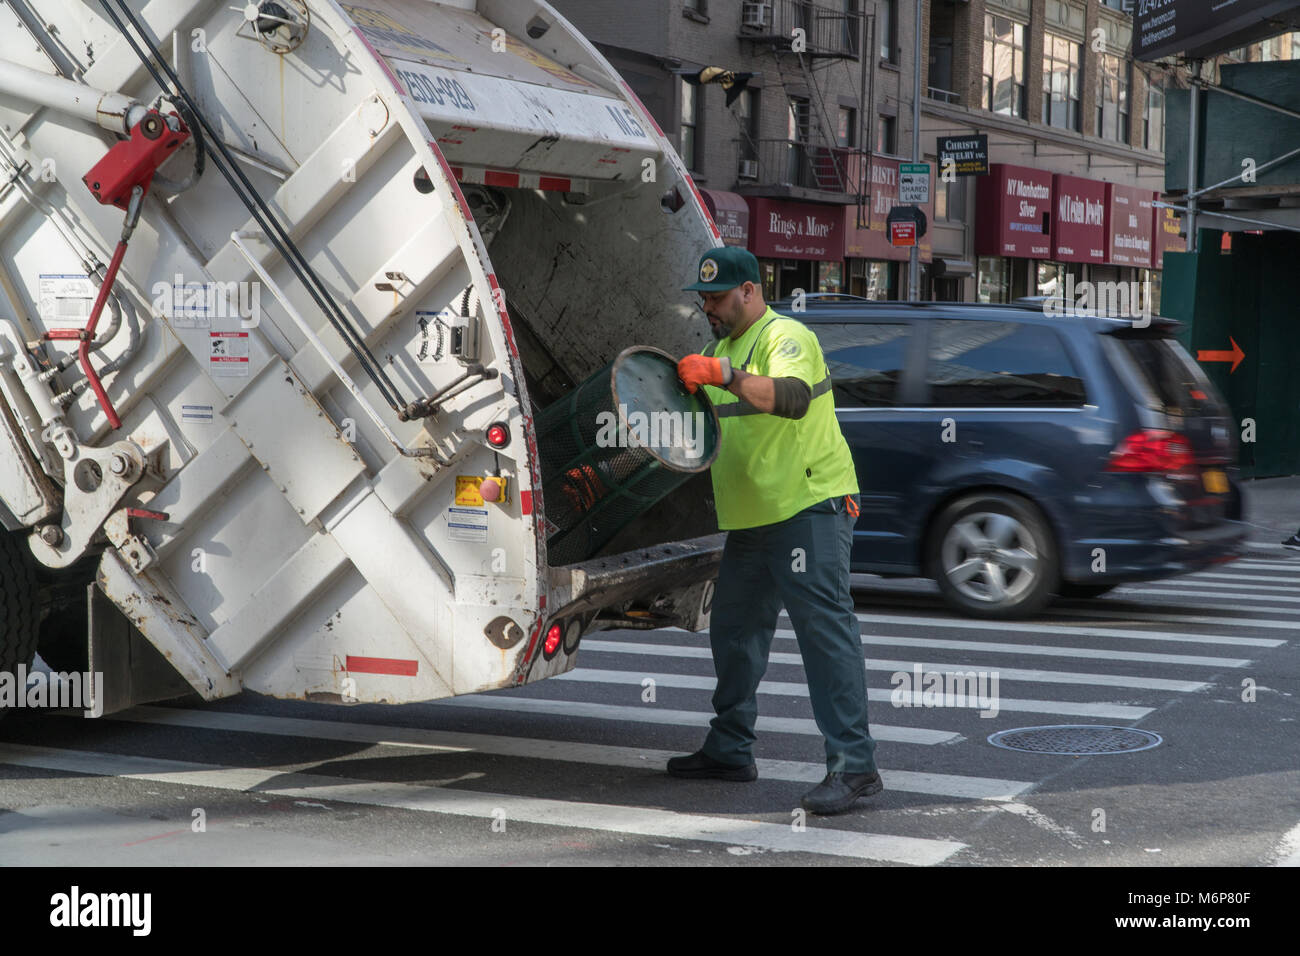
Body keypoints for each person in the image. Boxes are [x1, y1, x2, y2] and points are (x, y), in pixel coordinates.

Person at [666, 246, 881, 815]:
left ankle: (854, 767)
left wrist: (724, 375)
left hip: (809, 506)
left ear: (749, 292)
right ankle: (731, 748)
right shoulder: (720, 348)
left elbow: (788, 398)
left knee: (824, 634)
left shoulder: (787, 337)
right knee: (734, 633)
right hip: (754, 517)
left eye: (716, 297)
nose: (707, 307)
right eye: (703, 298)